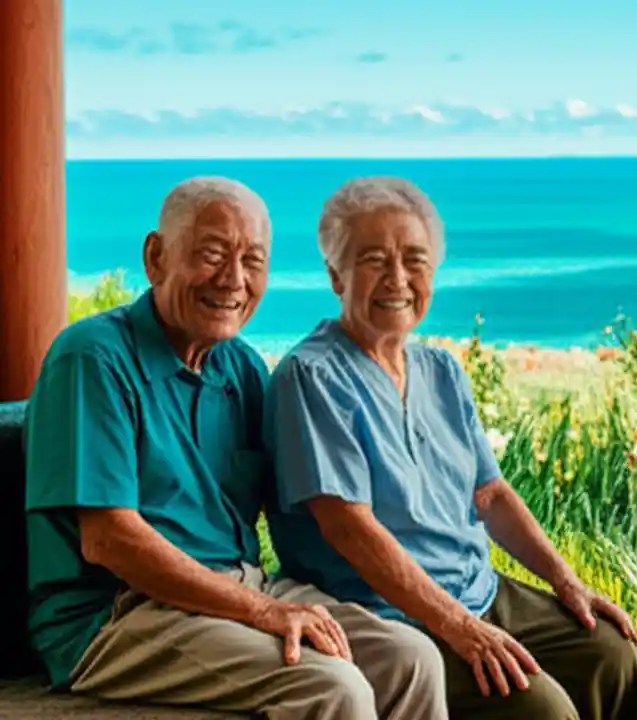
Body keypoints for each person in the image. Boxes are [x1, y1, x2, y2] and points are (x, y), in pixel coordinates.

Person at [24, 176, 447, 720]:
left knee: (410, 659)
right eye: (212, 254)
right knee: (330, 687)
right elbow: (111, 541)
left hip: (240, 587)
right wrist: (261, 611)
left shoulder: (242, 367)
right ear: (156, 258)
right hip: (116, 613)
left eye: (253, 260)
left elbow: (301, 515)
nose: (233, 280)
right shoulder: (92, 358)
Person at [264, 176, 637, 720]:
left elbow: (489, 494)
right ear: (335, 275)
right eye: (374, 260)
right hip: (389, 614)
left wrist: (567, 582)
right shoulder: (312, 377)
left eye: (414, 260)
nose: (398, 278)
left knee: (607, 652)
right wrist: (462, 629)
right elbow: (349, 527)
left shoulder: (440, 369)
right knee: (541, 710)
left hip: (477, 589)